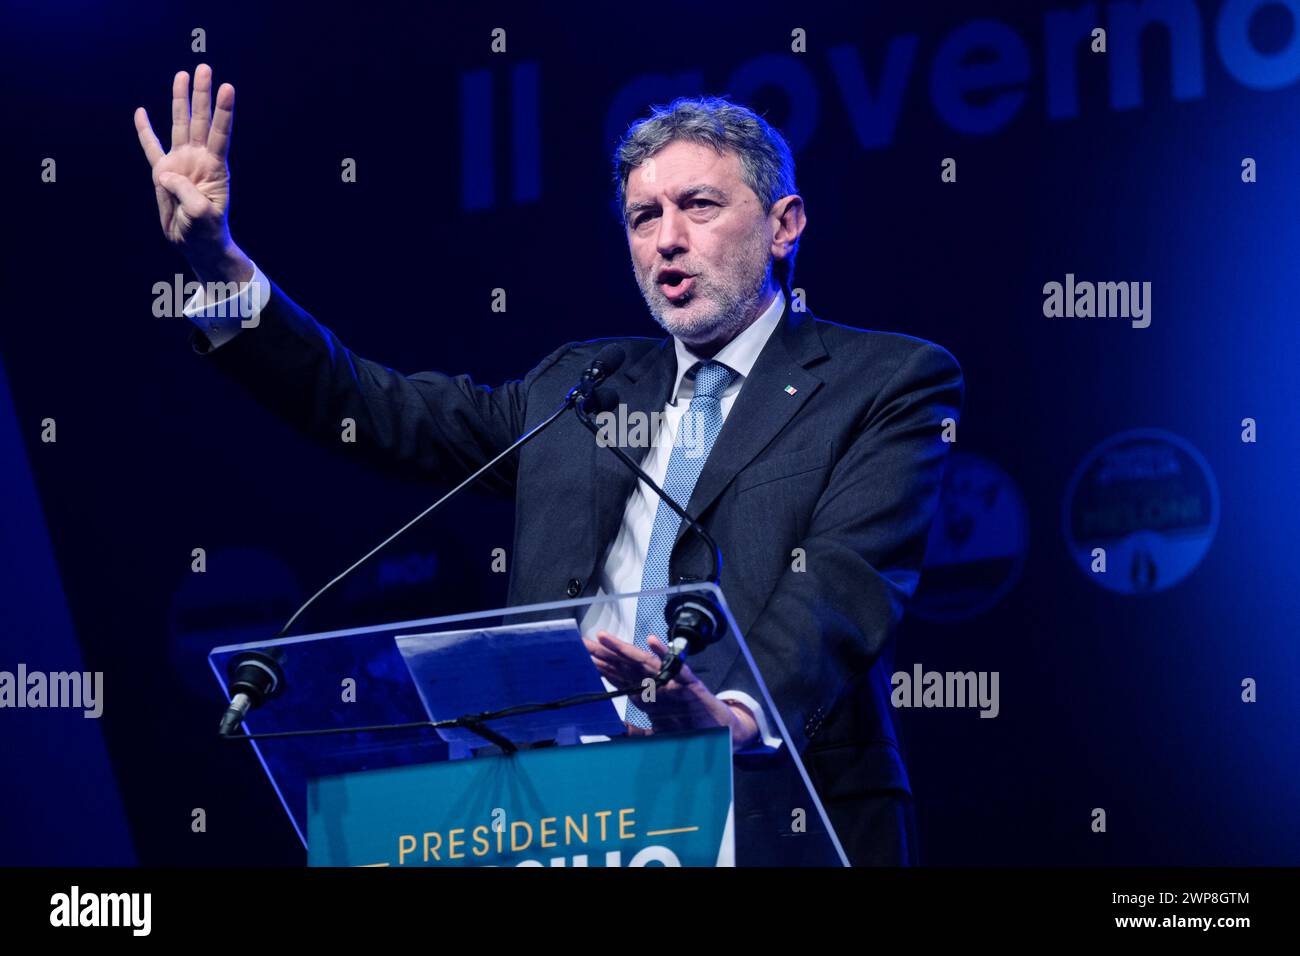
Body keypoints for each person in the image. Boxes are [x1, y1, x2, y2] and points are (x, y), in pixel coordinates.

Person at [135, 64, 963, 866]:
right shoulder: (583, 385)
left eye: (699, 206)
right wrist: (221, 265)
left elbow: (843, 581)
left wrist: (734, 714)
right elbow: (375, 411)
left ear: (784, 224)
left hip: (765, 804)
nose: (667, 239)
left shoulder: (884, 381)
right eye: (643, 218)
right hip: (556, 820)